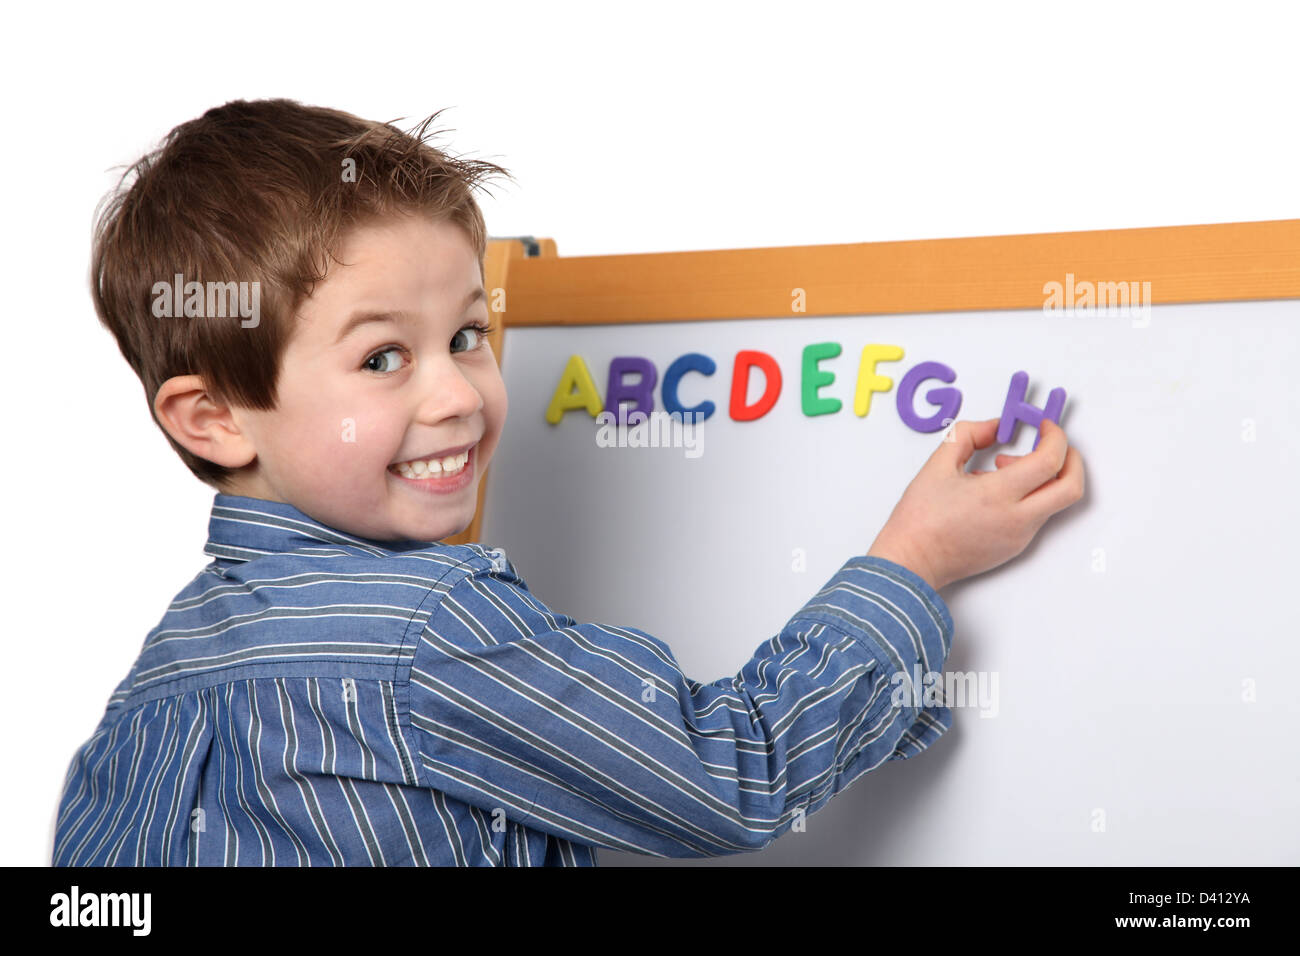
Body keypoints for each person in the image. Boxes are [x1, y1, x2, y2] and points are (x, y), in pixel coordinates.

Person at [53, 98, 1084, 866]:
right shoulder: (433, 629)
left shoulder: (154, 685)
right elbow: (729, 775)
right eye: (382, 357)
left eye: (466, 334)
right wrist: (912, 561)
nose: (458, 394)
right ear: (213, 416)